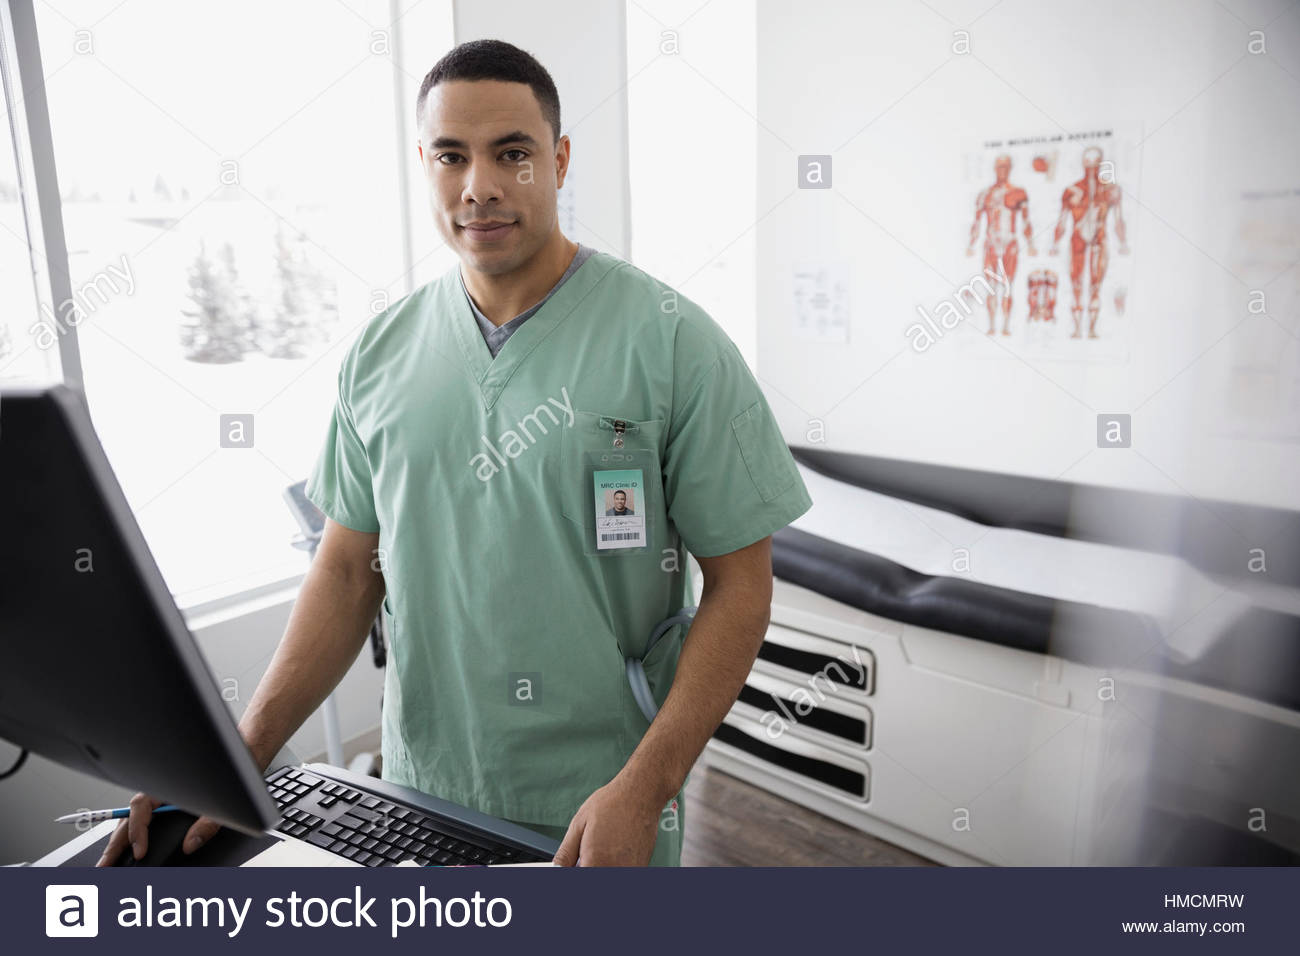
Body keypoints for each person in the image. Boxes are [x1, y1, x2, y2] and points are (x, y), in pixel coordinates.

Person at [99, 38, 811, 868]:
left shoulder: (671, 340)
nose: (481, 187)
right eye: (452, 156)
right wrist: (241, 749)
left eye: (513, 153)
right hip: (418, 789)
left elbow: (741, 584)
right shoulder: (381, 354)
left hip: (602, 802)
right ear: (426, 165)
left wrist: (647, 785)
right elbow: (344, 570)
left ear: (560, 159)